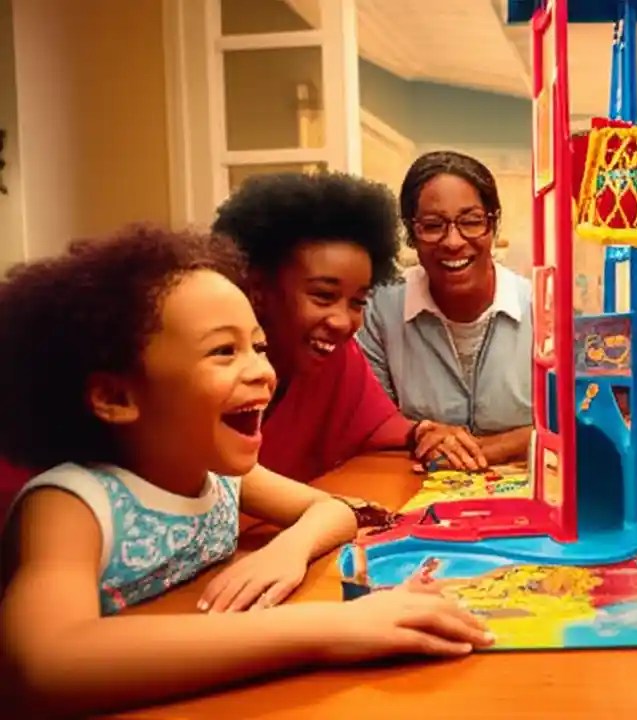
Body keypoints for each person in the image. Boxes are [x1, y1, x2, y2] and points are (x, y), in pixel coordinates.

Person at [0, 226, 492, 715]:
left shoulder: (219, 479)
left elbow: (335, 511)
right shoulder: (71, 506)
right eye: (223, 351)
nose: (262, 371)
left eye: (258, 347)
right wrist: (331, 628)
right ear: (115, 396)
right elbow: (44, 662)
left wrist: (287, 551)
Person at [211, 172, 439, 481]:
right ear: (258, 288)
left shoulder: (335, 357)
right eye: (323, 296)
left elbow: (377, 426)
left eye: (357, 302)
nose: (342, 322)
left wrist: (424, 433)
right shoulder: (207, 371)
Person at [359, 151, 533, 470]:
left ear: (493, 225)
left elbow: (573, 421)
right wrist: (422, 434)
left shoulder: (542, 309)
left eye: (471, 222)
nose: (453, 242)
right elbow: (370, 422)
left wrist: (492, 449)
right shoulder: (378, 310)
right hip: (412, 483)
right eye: (432, 225)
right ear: (411, 233)